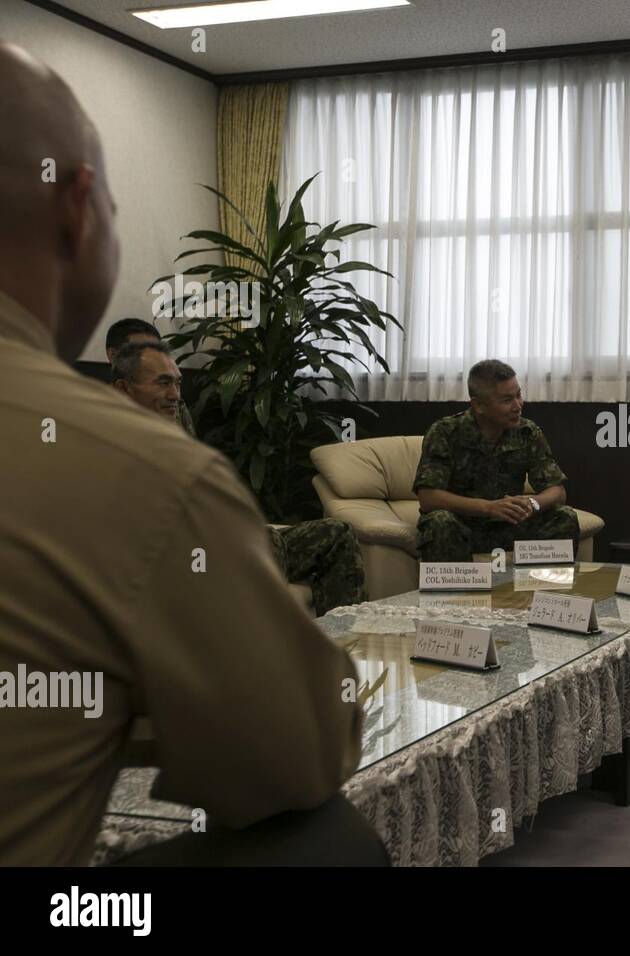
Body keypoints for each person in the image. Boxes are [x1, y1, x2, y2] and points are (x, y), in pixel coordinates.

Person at [0, 42, 382, 865]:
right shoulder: (133, 469)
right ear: (76, 207)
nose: (174, 394)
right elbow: (297, 753)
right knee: (333, 843)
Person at [111, 340, 367, 617]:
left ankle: (344, 646)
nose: (174, 394)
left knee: (336, 533)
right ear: (124, 390)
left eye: (178, 383)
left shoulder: (177, 425)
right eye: (162, 383)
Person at [414, 359, 580, 562]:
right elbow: (428, 497)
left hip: (510, 526)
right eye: (507, 400)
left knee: (564, 517)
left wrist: (532, 503)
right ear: (479, 405)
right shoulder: (445, 433)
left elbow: (558, 491)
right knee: (439, 522)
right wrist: (489, 507)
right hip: (463, 526)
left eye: (519, 395)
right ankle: (455, 594)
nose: (518, 406)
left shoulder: (527, 432)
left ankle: (542, 590)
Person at [104, 317, 196, 436]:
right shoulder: (96, 411)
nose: (175, 395)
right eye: (139, 349)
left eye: (156, 349)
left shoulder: (176, 406)